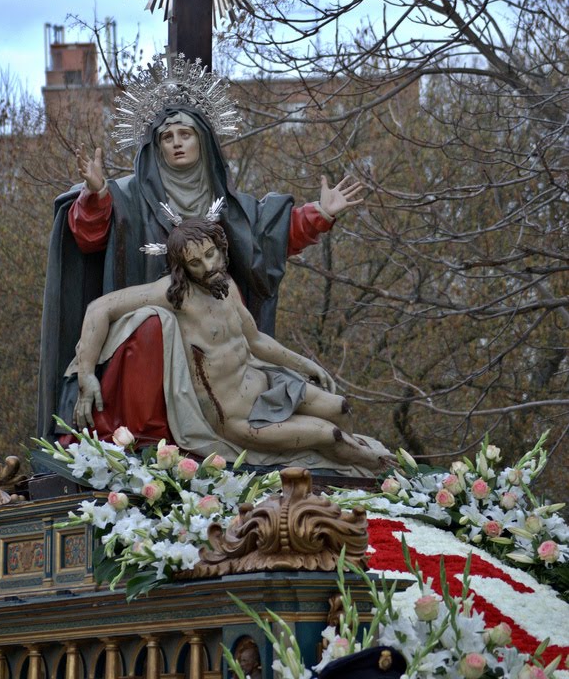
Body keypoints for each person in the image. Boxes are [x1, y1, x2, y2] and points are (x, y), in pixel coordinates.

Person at [37, 55, 365, 446]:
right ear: (156, 146)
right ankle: (144, 436)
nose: (176, 143)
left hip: (214, 339)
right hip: (146, 327)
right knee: (156, 323)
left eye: (185, 134)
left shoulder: (224, 202)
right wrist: (95, 194)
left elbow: (265, 238)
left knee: (317, 410)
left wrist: (320, 214)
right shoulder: (128, 196)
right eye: (167, 137)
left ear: (202, 140)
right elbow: (89, 238)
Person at [69, 218, 392, 475]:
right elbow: (100, 308)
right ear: (183, 267)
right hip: (240, 418)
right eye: (195, 263)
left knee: (341, 409)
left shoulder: (226, 286)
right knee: (328, 435)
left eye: (211, 254)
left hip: (268, 385)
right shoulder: (176, 294)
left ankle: (354, 466)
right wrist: (87, 375)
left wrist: (305, 364)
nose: (208, 267)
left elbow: (255, 341)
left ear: (221, 248)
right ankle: (379, 471)